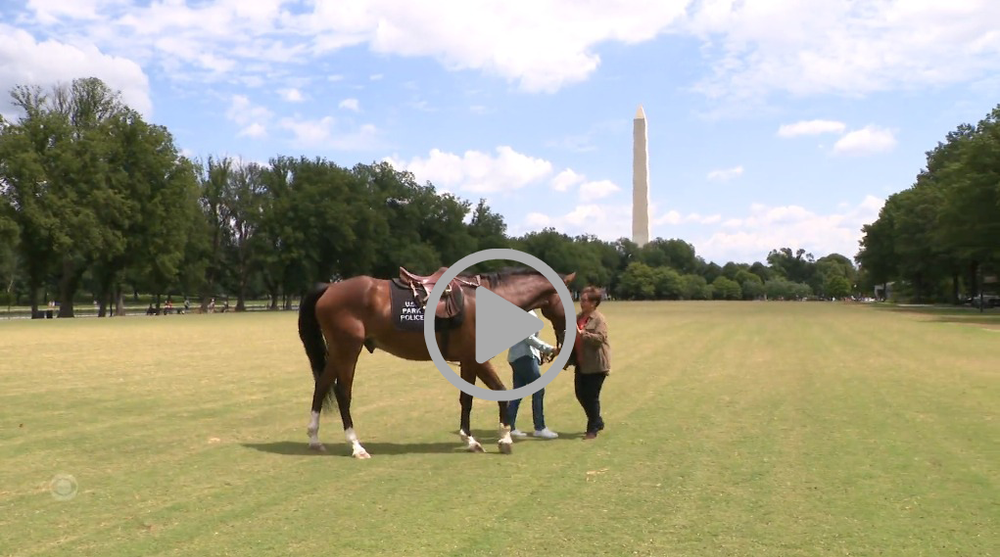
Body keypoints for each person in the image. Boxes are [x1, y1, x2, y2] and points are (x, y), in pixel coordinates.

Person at [506, 309, 559, 439]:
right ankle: (539, 427)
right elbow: (529, 338)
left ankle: (508, 426)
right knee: (538, 390)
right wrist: (549, 349)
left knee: (518, 391)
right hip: (525, 357)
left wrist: (539, 353)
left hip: (516, 356)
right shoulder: (527, 312)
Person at [567, 286, 612, 440]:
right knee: (580, 394)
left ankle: (592, 428)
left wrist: (582, 334)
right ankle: (597, 420)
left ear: (594, 303)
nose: (581, 302)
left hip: (596, 365)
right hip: (581, 363)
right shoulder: (577, 317)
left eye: (585, 300)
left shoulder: (599, 319)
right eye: (581, 299)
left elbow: (600, 338)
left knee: (591, 397)